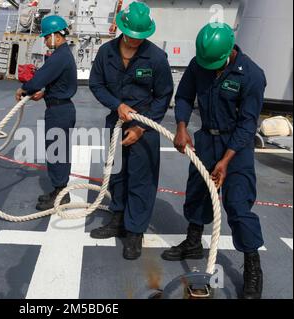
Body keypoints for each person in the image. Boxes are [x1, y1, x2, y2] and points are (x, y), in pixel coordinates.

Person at [161, 23, 266, 299]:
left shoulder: (252, 75)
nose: (209, 67)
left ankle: (253, 266)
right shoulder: (200, 63)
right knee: (197, 194)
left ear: (231, 49)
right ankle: (194, 241)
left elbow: (247, 124)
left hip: (237, 146)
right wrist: (181, 126)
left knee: (238, 204)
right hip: (206, 139)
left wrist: (227, 160)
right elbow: (184, 95)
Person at [89, 1, 174, 260]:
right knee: (116, 174)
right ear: (123, 29)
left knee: (141, 180)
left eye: (141, 37)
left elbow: (163, 96)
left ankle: (134, 232)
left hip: (145, 126)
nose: (136, 41)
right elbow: (96, 84)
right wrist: (117, 105)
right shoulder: (106, 53)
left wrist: (140, 127)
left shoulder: (156, 58)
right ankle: (117, 219)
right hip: (115, 123)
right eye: (132, 36)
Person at [15, 15, 77, 211]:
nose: (44, 41)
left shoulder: (59, 56)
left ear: (55, 36)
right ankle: (59, 190)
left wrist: (24, 88)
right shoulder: (63, 54)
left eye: (45, 37)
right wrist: (43, 94)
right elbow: (56, 82)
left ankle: (60, 194)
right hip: (59, 107)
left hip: (59, 111)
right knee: (57, 151)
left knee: (57, 152)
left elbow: (39, 78)